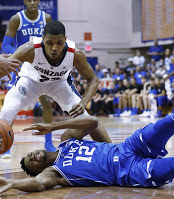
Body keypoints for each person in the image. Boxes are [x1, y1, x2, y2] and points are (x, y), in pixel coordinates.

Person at [1, 104, 174, 193]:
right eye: (31, 162)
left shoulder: (66, 140)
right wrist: (12, 184)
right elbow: (38, 184)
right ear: (38, 169)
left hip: (127, 148)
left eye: (29, 155)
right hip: (128, 172)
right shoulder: (54, 173)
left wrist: (53, 126)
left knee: (164, 124)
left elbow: (92, 122)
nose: (33, 157)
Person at [0, 20, 111, 148]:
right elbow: (3, 70)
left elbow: (93, 79)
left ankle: (113, 154)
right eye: (49, 43)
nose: (54, 48)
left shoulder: (75, 54)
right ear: (42, 39)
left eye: (59, 43)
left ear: (65, 40)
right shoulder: (29, 49)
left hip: (59, 83)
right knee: (7, 111)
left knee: (87, 120)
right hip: (30, 81)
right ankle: (4, 150)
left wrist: (83, 103)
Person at [1, 0, 54, 154]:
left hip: (41, 66)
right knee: (11, 106)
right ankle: (5, 146)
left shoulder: (47, 19)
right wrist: (26, 52)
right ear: (24, 1)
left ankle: (49, 143)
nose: (32, 2)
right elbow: (6, 45)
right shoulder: (16, 19)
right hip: (22, 65)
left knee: (46, 101)